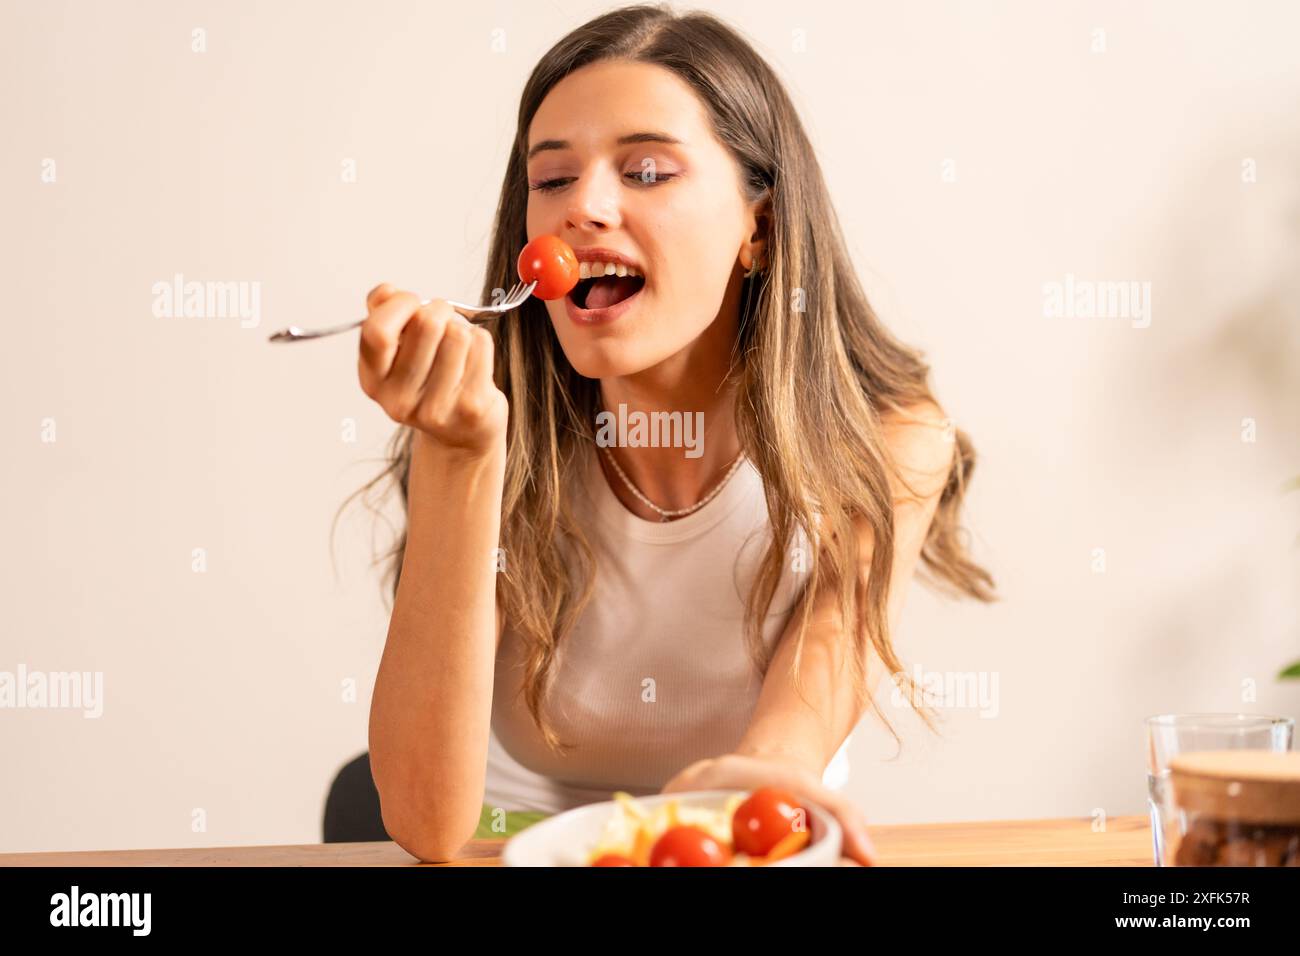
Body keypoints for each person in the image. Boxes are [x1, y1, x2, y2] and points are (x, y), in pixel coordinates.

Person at [352, 4, 995, 865]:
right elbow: (426, 824)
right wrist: (461, 456)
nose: (584, 206)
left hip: (745, 848)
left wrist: (722, 799)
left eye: (647, 171)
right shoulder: (484, 430)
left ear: (758, 230)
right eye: (552, 180)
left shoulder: (888, 442)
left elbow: (789, 741)